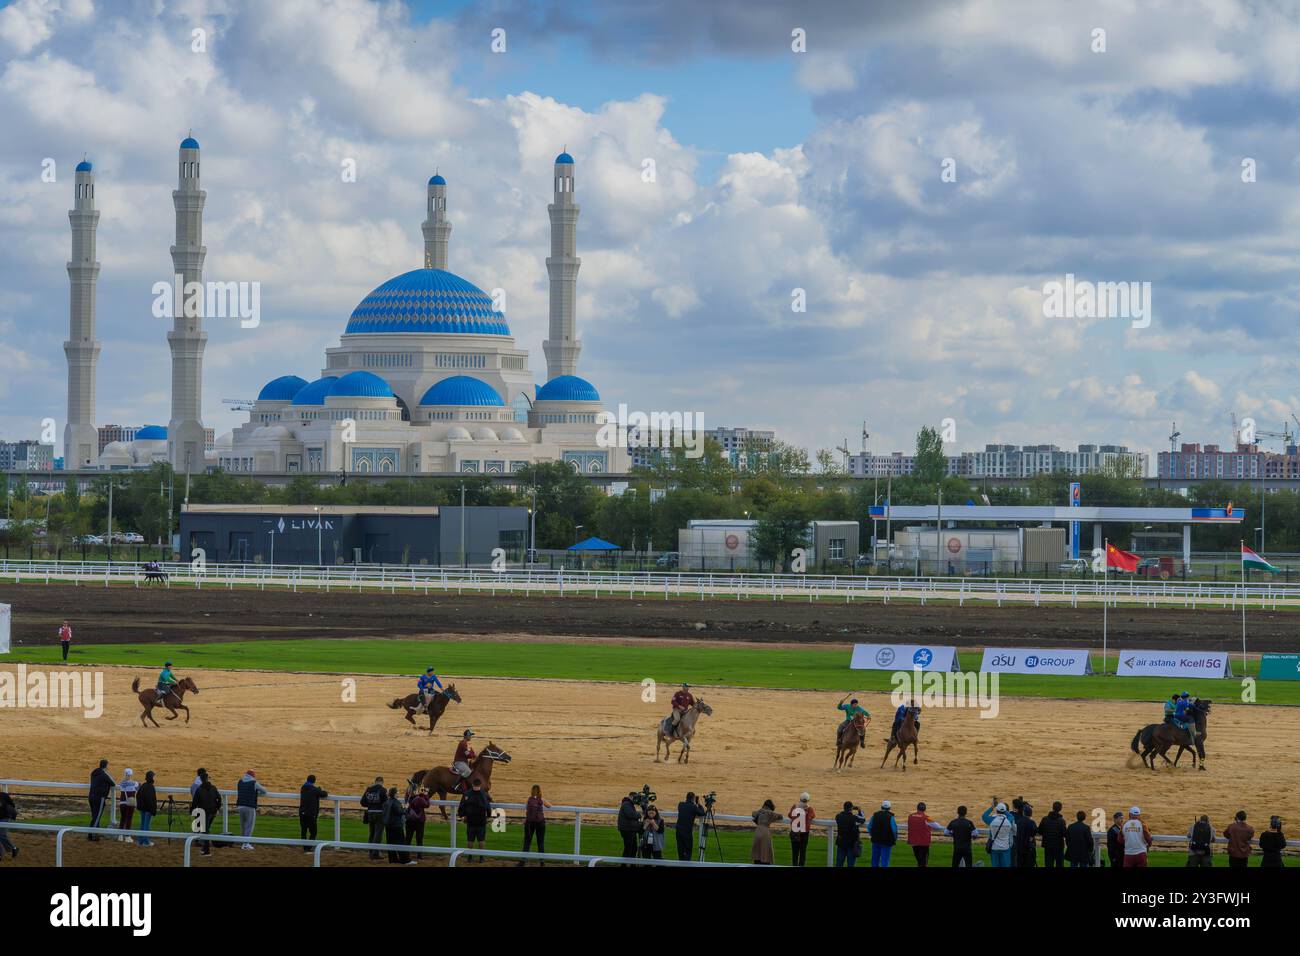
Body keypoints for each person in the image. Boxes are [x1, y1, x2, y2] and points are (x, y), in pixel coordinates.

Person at [190, 769, 223, 856]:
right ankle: (204, 848)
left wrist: (192, 811)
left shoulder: (199, 789)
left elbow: (194, 802)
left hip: (203, 812)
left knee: (205, 831)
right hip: (212, 812)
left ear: (201, 779)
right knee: (206, 830)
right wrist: (217, 808)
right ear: (207, 779)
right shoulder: (213, 788)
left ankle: (206, 851)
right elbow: (219, 798)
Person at [458, 778, 491, 861]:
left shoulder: (467, 793)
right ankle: (481, 857)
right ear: (480, 785)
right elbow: (488, 807)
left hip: (470, 820)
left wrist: (462, 815)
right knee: (481, 839)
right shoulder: (484, 794)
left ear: (472, 785)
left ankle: (469, 857)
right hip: (481, 820)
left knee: (470, 839)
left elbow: (461, 806)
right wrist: (488, 816)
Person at [235, 769, 267, 850]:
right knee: (249, 826)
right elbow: (264, 791)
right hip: (249, 806)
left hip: (240, 806)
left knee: (243, 826)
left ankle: (243, 843)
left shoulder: (240, 781)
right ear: (253, 776)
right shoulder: (254, 782)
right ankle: (246, 844)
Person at [520, 785, 550, 863]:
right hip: (540, 823)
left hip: (530, 823)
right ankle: (542, 861)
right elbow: (549, 806)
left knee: (527, 841)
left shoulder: (529, 799)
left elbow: (526, 809)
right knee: (540, 842)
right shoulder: (541, 799)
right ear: (540, 791)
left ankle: (523, 860)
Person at [298, 775, 329, 851]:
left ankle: (305, 848)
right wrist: (319, 789)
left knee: (304, 831)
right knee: (313, 832)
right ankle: (308, 848)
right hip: (311, 814)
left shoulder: (303, 788)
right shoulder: (314, 790)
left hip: (302, 813)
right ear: (314, 781)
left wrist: (317, 790)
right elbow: (324, 794)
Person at [383, 787, 412, 864]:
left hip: (388, 825)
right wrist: (405, 808)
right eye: (397, 792)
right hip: (396, 825)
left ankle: (393, 860)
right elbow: (400, 812)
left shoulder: (387, 802)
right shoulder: (396, 802)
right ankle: (405, 860)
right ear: (395, 793)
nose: (398, 793)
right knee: (401, 842)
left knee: (390, 843)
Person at [361, 776, 387, 859]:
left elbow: (363, 802)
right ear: (382, 782)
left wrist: (370, 804)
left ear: (375, 781)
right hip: (379, 814)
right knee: (378, 834)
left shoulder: (368, 789)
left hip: (370, 813)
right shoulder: (383, 790)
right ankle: (375, 853)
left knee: (371, 833)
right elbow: (386, 803)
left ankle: (371, 852)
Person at [87, 759, 114, 841]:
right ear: (106, 766)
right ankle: (92, 835)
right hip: (99, 798)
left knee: (94, 816)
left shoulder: (94, 773)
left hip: (91, 797)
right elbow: (112, 783)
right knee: (96, 817)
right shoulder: (104, 775)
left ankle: (94, 834)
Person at [867, 799, 898, 868]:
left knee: (874, 861)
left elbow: (869, 827)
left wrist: (873, 835)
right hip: (886, 842)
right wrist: (894, 839)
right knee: (885, 862)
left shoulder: (875, 815)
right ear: (889, 808)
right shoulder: (890, 817)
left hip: (876, 841)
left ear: (881, 807)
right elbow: (894, 830)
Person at [984, 801, 1016, 867]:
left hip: (994, 847)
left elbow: (984, 816)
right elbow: (1011, 816)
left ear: (997, 810)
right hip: (1005, 847)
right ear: (1005, 811)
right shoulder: (1008, 820)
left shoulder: (992, 820)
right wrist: (1004, 811)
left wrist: (992, 807)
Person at [675, 792, 705, 861]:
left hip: (678, 831)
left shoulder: (680, 804)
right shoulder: (693, 807)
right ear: (693, 799)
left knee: (680, 851)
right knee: (688, 851)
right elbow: (702, 813)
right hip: (687, 832)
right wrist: (699, 804)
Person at [834, 801, 865, 867]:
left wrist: (848, 809)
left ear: (844, 808)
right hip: (851, 844)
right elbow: (862, 819)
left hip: (841, 842)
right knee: (850, 864)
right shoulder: (854, 818)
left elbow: (838, 815)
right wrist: (859, 811)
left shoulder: (839, 816)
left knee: (839, 864)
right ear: (851, 809)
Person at [750, 800, 782, 865]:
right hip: (765, 832)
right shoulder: (770, 812)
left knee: (757, 852)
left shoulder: (760, 811)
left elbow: (753, 813)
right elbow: (780, 816)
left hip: (758, 832)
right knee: (766, 853)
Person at [788, 792, 815, 867]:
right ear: (808, 800)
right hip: (804, 833)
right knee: (802, 852)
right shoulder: (809, 808)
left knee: (795, 853)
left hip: (795, 832)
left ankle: (794, 865)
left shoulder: (794, 806)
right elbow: (813, 816)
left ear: (800, 799)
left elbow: (790, 815)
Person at [907, 802, 936, 867]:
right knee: (923, 863)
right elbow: (937, 826)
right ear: (925, 809)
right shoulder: (927, 818)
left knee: (919, 861)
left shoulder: (910, 816)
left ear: (917, 808)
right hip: (924, 843)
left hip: (914, 842)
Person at [1039, 801, 1068, 868]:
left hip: (1048, 845)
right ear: (1060, 809)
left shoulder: (1045, 819)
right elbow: (1064, 834)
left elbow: (1040, 831)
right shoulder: (1061, 821)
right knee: (1059, 864)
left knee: (1048, 864)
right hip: (1058, 846)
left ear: (1052, 808)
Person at [134, 772, 158, 847]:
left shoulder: (143, 785)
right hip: (147, 809)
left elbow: (138, 795)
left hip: (142, 808)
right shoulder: (150, 787)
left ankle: (140, 841)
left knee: (142, 824)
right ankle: (146, 841)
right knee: (146, 825)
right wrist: (153, 810)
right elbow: (150, 800)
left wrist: (140, 806)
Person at [617, 793, 642, 861]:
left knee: (632, 848)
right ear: (630, 796)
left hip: (629, 829)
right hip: (627, 829)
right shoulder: (627, 804)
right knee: (629, 848)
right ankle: (625, 864)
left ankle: (630, 864)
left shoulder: (628, 804)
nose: (636, 799)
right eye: (634, 797)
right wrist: (639, 815)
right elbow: (631, 815)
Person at [406, 787, 431, 856]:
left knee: (408, 838)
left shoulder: (408, 798)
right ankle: (419, 855)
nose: (421, 791)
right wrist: (426, 795)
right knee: (419, 838)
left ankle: (405, 854)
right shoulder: (419, 799)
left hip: (409, 820)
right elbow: (427, 805)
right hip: (419, 821)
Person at [117, 768, 139, 842]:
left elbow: (122, 787)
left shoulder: (121, 783)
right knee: (129, 819)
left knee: (122, 819)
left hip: (122, 803)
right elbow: (138, 788)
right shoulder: (135, 783)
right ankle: (127, 836)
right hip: (130, 803)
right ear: (131, 774)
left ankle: (120, 836)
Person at [1015, 801, 1038, 867]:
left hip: (1020, 847)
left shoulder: (1019, 821)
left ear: (1023, 813)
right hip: (1029, 848)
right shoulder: (1031, 822)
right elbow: (1035, 831)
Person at [0, 790, 18, 860]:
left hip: (5, 817)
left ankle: (13, 848)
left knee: (1, 834)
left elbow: (12, 805)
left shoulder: (4, 795)